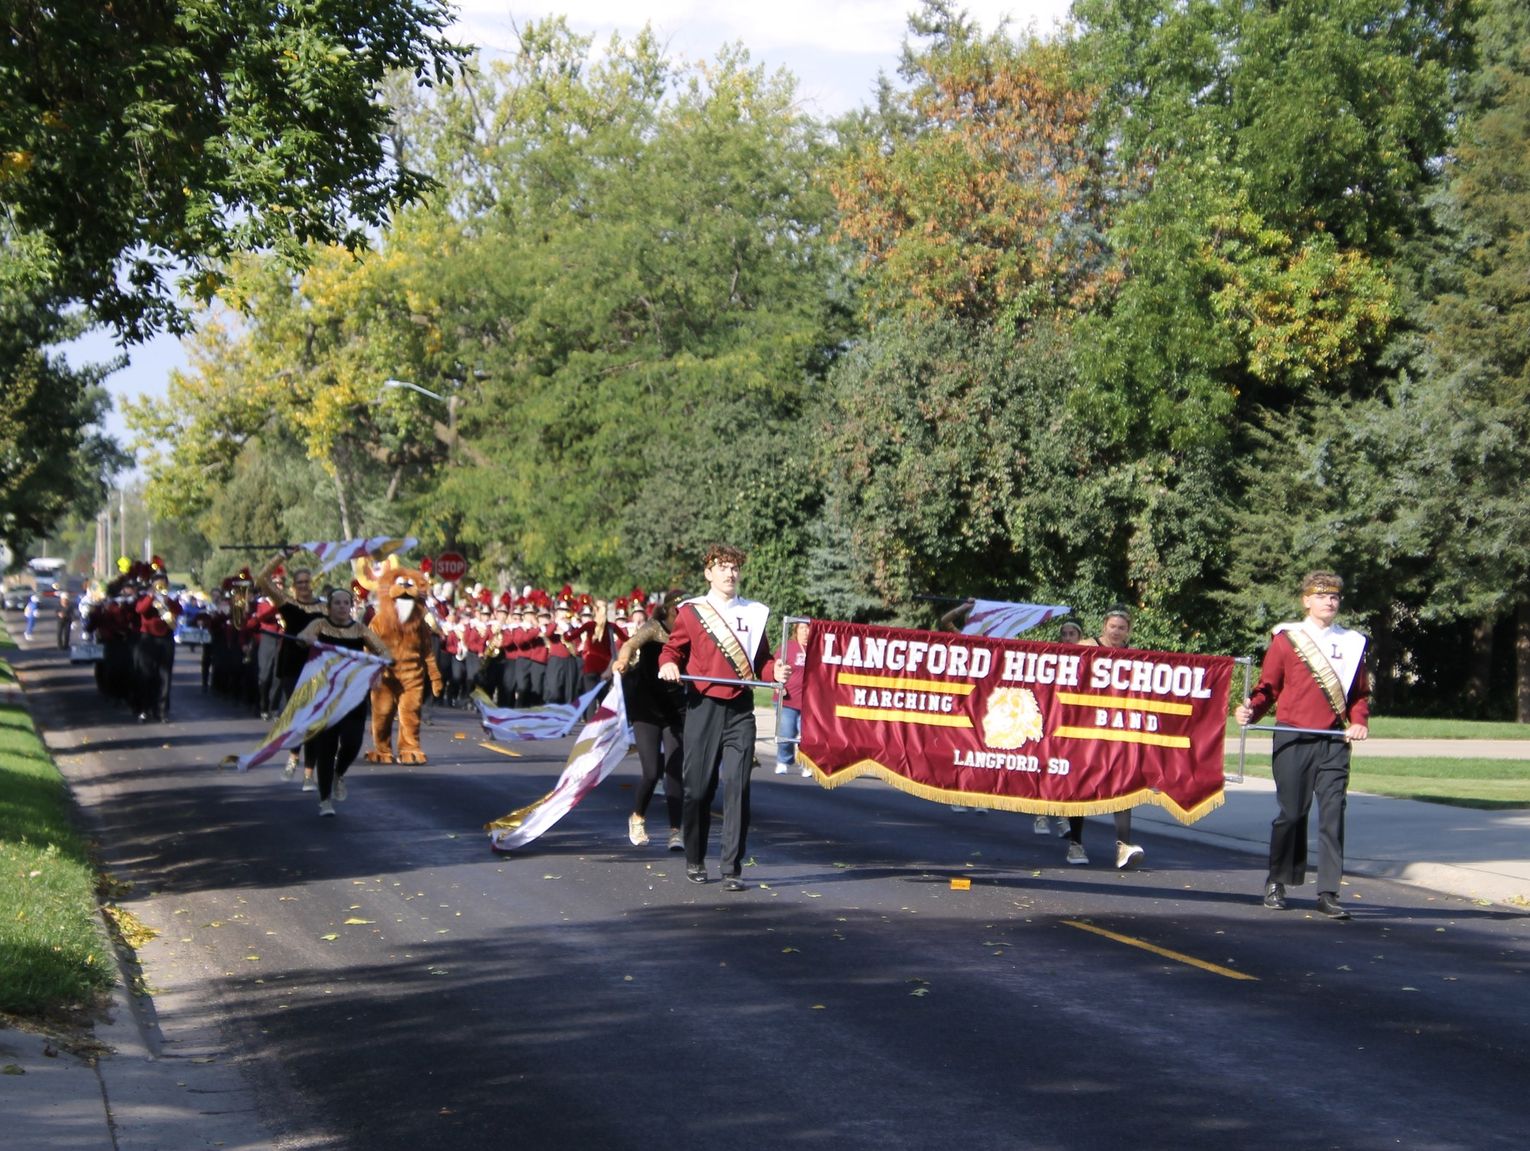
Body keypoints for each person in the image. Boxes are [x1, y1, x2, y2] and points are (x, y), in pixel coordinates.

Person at [1235, 571, 1370, 919]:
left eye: (1335, 596)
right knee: (1292, 814)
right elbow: (1268, 687)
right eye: (1322, 595)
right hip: (1293, 737)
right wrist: (1251, 710)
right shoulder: (1287, 638)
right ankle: (1278, 880)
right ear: (1306, 600)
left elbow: (1358, 694)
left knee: (1332, 815)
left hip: (1334, 741)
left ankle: (1328, 891)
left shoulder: (1353, 642)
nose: (1329, 601)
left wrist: (1359, 721)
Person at [658, 545, 787, 891]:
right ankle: (696, 857)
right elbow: (672, 650)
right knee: (698, 789)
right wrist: (669, 664)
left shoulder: (754, 613)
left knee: (738, 787)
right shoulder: (692, 612)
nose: (730, 574)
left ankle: (732, 866)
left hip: (740, 710)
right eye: (723, 567)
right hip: (703, 707)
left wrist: (776, 670)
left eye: (734, 568)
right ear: (708, 573)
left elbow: (761, 661)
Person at [294, 587, 392, 817]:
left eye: (345, 603)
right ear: (329, 607)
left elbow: (383, 650)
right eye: (336, 603)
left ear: (351, 606)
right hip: (326, 694)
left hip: (353, 694)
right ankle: (325, 799)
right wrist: (305, 639)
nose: (341, 607)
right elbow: (302, 639)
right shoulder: (320, 624)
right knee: (326, 747)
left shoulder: (359, 629)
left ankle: (340, 773)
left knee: (352, 742)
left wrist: (381, 663)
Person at [1065, 605, 1145, 869]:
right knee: (1080, 785)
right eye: (1113, 626)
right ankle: (1075, 844)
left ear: (1128, 631)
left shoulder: (1133, 657)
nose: (1117, 632)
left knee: (1122, 786)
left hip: (1116, 729)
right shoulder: (1087, 646)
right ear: (1104, 627)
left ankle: (1123, 846)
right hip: (1085, 728)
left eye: (1122, 628)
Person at [613, 591, 687, 852]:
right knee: (652, 772)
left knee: (675, 773)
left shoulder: (689, 634)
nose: (682, 614)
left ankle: (676, 831)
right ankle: (638, 817)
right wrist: (623, 659)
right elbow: (630, 644)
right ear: (667, 610)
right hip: (647, 709)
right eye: (679, 609)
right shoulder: (654, 628)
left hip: (675, 710)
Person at [257, 552, 326, 788]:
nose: (305, 586)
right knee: (299, 717)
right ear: (294, 586)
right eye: (300, 582)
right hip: (291, 667)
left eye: (308, 582)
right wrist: (281, 556)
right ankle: (294, 755)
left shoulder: (323, 608)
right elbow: (262, 579)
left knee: (313, 721)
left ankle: (309, 773)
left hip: (316, 667)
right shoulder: (287, 604)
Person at [772, 620, 812, 777]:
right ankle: (783, 760)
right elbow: (776, 667)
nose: (805, 631)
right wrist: (777, 684)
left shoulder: (818, 648)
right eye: (802, 628)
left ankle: (806, 764)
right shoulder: (787, 647)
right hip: (787, 699)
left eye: (808, 628)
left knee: (807, 735)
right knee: (786, 732)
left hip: (809, 701)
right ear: (796, 630)